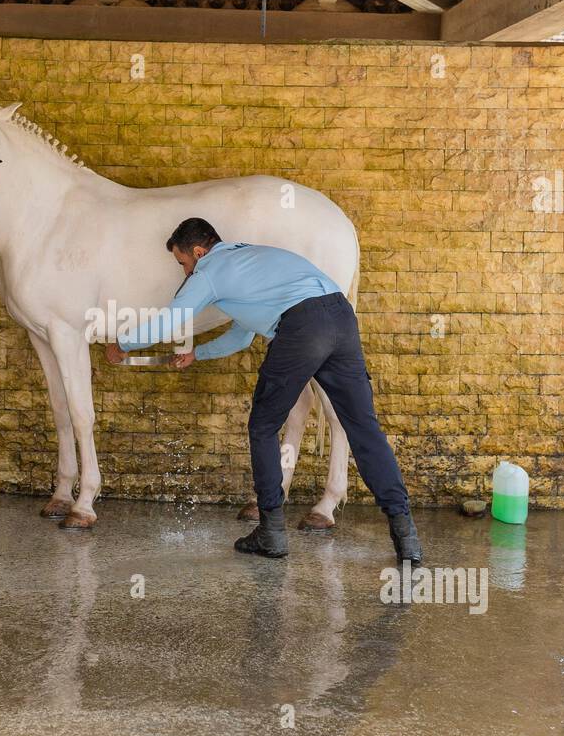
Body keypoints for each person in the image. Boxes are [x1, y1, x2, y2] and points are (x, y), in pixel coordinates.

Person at [105, 217, 423, 564]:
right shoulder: (250, 261)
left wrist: (123, 344)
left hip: (302, 326)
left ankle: (271, 532)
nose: (184, 273)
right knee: (364, 429)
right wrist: (199, 353)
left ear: (199, 251)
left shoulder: (210, 270)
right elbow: (243, 334)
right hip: (340, 315)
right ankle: (407, 538)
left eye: (183, 263)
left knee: (263, 427)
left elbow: (169, 320)